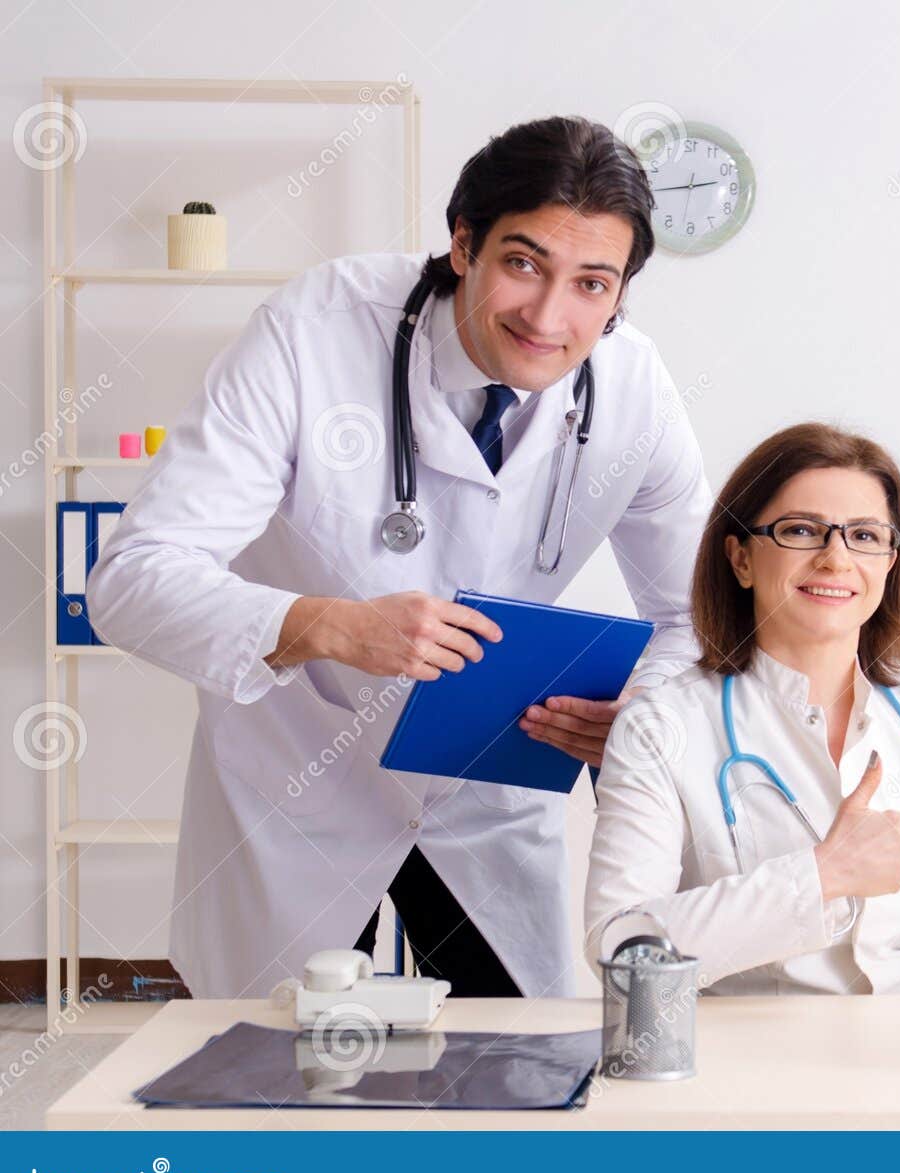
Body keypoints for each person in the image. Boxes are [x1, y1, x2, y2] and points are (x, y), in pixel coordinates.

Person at [88, 116, 711, 1000]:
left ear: (620, 294)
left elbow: (697, 612)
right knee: (276, 1078)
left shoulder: (633, 388)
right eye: (522, 263)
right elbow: (134, 576)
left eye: (592, 283)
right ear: (464, 243)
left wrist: (643, 710)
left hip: (486, 791)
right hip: (300, 779)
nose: (549, 315)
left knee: (518, 1069)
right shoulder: (315, 331)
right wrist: (325, 624)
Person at [584, 423, 900, 994]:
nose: (835, 558)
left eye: (866, 537)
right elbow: (620, 948)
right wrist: (822, 876)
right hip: (757, 1067)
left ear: (890, 563)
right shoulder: (661, 727)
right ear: (741, 559)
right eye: (802, 530)